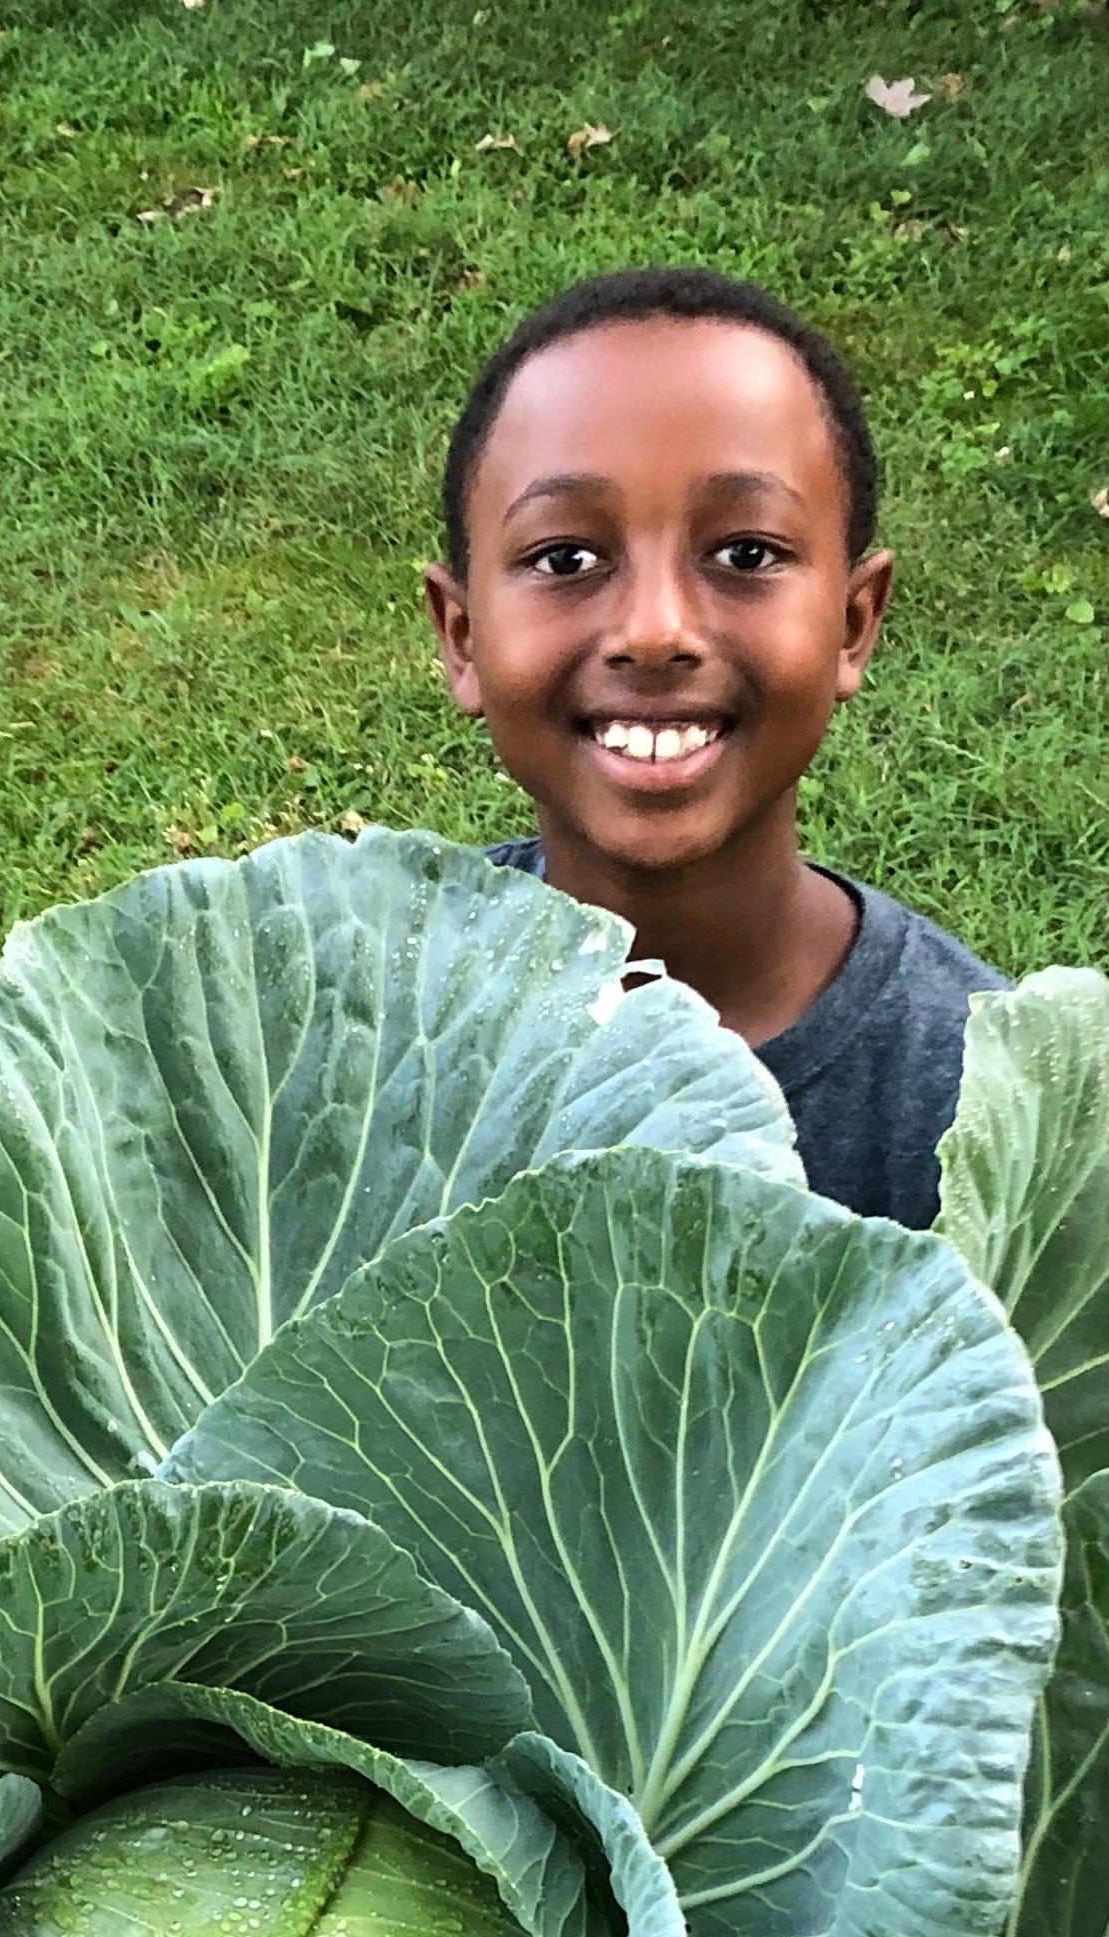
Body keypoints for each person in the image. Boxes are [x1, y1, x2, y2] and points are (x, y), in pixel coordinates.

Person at [428, 264, 1001, 1231]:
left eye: (746, 554)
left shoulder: (975, 1113)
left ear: (854, 624)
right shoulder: (366, 1032)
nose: (655, 631)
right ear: (464, 636)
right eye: (566, 558)